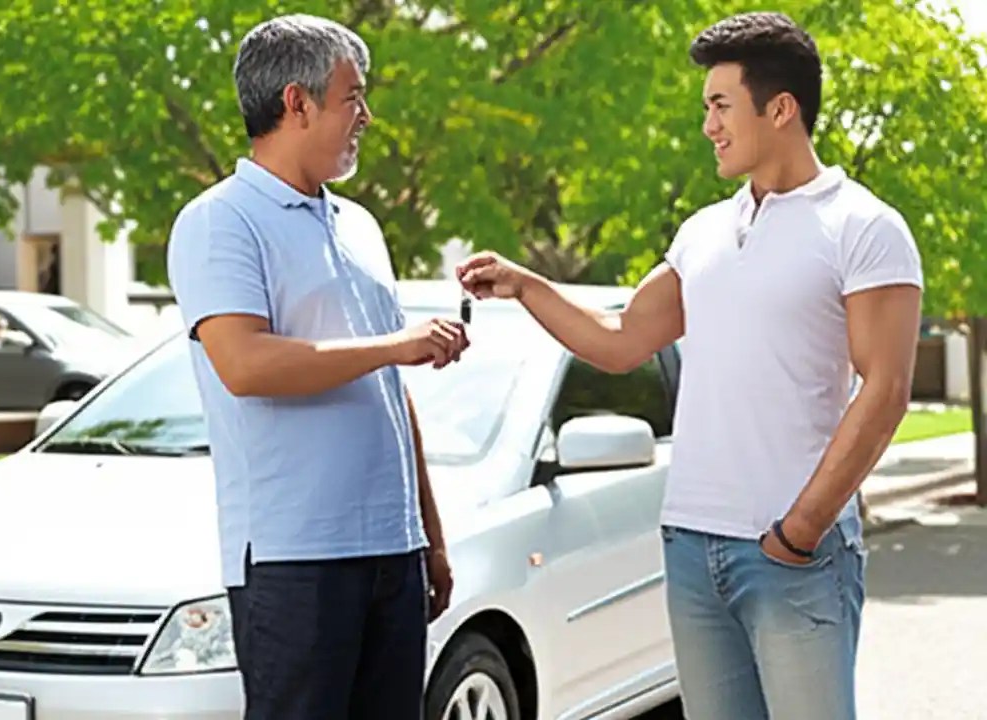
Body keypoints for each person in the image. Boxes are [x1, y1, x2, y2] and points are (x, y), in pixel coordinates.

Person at [455, 12, 922, 720]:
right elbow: (620, 339)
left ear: (781, 109)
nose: (708, 126)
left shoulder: (864, 227)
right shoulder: (704, 232)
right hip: (692, 548)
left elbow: (884, 389)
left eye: (721, 105)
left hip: (794, 554)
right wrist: (526, 286)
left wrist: (800, 529)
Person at [165, 14, 469, 720]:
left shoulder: (360, 225)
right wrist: (395, 345)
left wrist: (427, 534)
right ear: (296, 102)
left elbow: (388, 391)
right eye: (352, 97)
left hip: (392, 550)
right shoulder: (221, 220)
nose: (366, 116)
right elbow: (244, 363)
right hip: (294, 558)